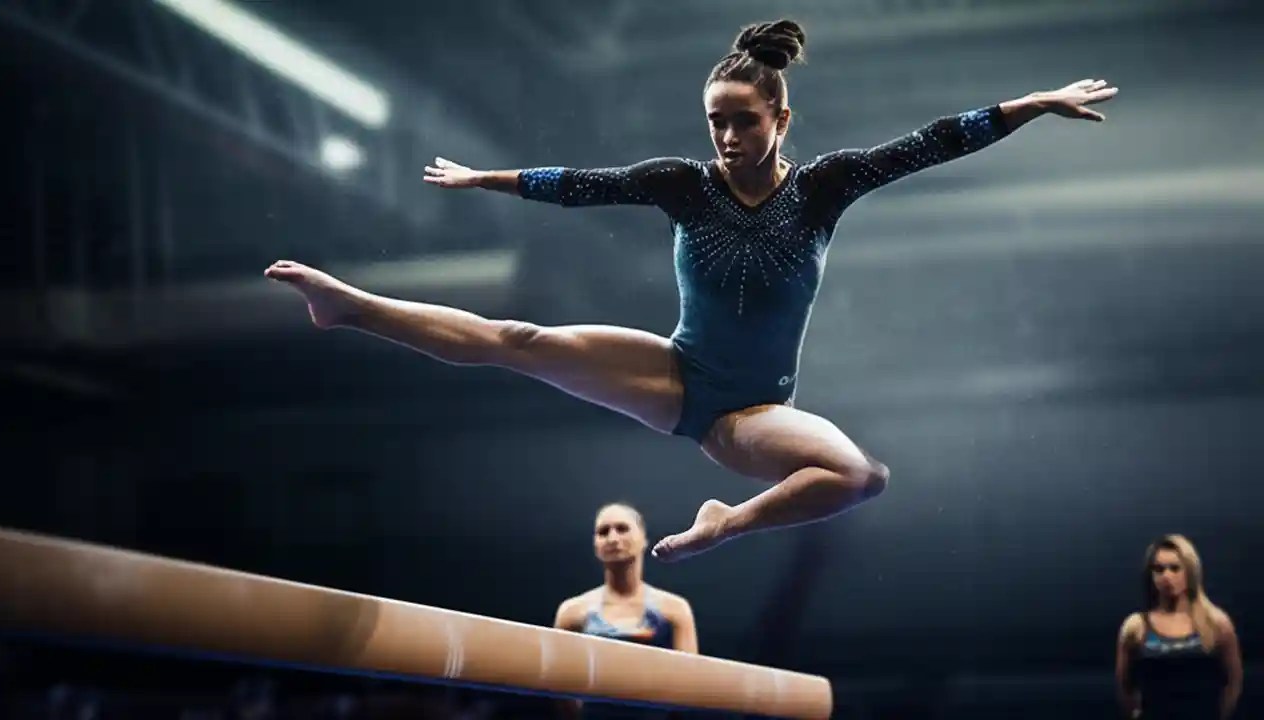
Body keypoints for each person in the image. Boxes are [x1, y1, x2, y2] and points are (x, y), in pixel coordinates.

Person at [265, 19, 1119, 562]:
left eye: (745, 120)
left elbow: (929, 143)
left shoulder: (824, 186)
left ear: (781, 120)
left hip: (747, 412)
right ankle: (349, 306)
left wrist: (1033, 104)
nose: (728, 135)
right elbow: (585, 185)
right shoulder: (683, 183)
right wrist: (486, 179)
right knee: (517, 341)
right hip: (677, 371)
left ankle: (724, 522)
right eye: (717, 120)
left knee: (860, 476)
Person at [553, 503, 696, 719]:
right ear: (595, 544)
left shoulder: (674, 609)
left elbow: (690, 687)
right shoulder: (572, 612)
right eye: (603, 532)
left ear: (643, 539)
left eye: (622, 528)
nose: (612, 538)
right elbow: (559, 689)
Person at [1115, 534, 1243, 719]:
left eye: (1175, 568)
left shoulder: (1216, 622)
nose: (1167, 576)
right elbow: (1124, 685)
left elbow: (1234, 680)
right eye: (1159, 569)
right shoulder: (1136, 627)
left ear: (1189, 571)